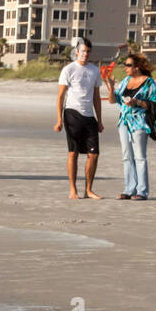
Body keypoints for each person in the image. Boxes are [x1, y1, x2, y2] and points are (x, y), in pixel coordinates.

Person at [105, 50, 156, 200]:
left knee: (140, 157)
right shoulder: (125, 81)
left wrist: (136, 102)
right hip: (124, 122)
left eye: (128, 65)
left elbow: (155, 105)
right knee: (126, 156)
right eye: (125, 65)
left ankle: (142, 191)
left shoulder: (148, 82)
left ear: (137, 67)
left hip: (140, 122)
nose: (126, 68)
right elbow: (112, 100)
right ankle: (129, 189)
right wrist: (110, 87)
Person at [55, 37, 103, 200]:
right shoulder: (68, 70)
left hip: (89, 115)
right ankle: (73, 190)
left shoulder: (95, 70)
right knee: (73, 153)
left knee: (94, 154)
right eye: (83, 51)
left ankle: (88, 190)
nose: (85, 54)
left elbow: (96, 97)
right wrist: (59, 119)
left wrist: (100, 120)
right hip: (72, 113)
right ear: (77, 52)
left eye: (88, 51)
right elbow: (61, 96)